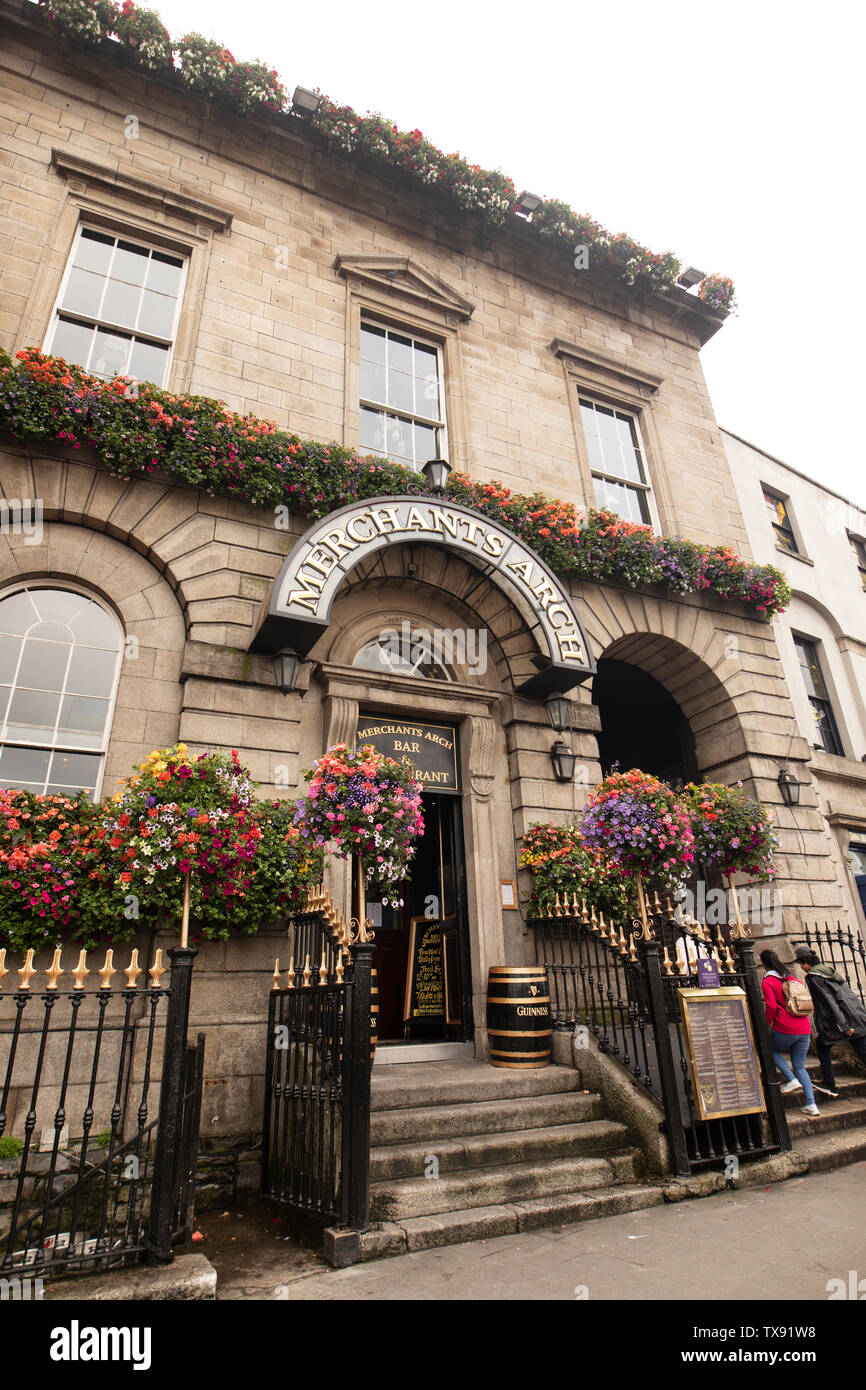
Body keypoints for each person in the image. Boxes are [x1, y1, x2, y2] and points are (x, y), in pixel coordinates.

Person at [794, 945, 866, 1098]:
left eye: (801, 963)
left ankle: (829, 1083)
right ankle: (828, 1082)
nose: (801, 967)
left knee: (822, 1044)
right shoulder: (827, 970)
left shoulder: (814, 977)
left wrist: (844, 1025)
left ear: (806, 961)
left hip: (841, 1021)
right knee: (862, 1050)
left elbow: (829, 1001)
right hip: (856, 1014)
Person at [759, 948, 819, 1115]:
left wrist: (765, 1023)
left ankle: (791, 1079)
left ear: (764, 964)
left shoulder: (768, 982)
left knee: (771, 1051)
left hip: (785, 1027)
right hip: (804, 1026)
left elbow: (771, 1006)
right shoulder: (791, 978)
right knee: (800, 1066)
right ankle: (811, 1104)